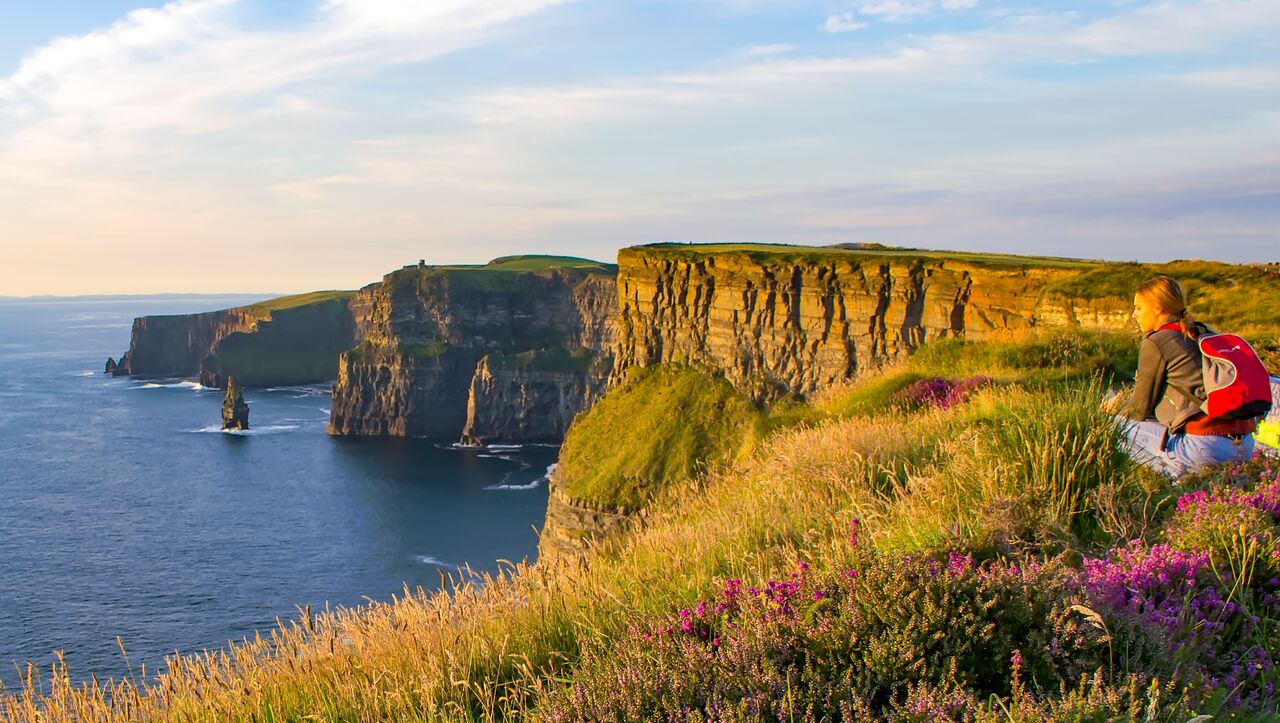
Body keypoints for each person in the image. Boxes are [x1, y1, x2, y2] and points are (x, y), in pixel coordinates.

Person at [1105, 275, 1256, 478]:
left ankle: (1178, 480)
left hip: (1205, 447)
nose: (1134, 315)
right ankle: (1200, 479)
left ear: (1158, 308)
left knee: (1112, 426)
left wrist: (1114, 407)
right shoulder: (1202, 332)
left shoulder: (1157, 340)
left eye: (1139, 308)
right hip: (1245, 446)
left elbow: (1139, 410)